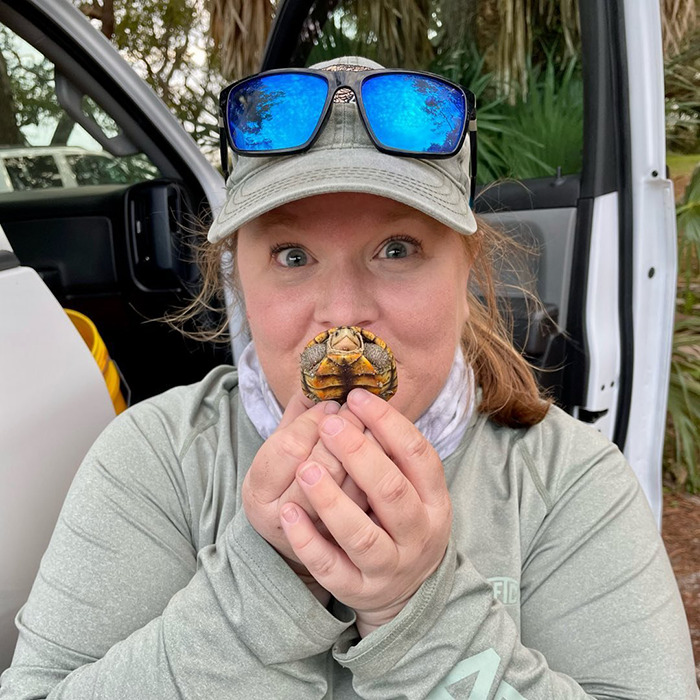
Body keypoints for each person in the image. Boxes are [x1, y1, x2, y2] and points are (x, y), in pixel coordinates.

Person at [0, 55, 697, 699]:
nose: (343, 319)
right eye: (293, 255)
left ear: (468, 274)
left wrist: (417, 616)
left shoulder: (570, 484)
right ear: (238, 278)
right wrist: (266, 589)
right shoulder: (154, 461)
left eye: (397, 249)